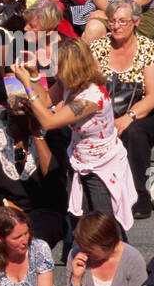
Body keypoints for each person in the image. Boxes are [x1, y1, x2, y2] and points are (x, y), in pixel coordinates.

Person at [13, 37, 137, 233]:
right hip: (79, 161)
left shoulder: (91, 97)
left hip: (101, 168)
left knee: (105, 228)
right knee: (82, 226)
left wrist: (27, 84)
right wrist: (35, 75)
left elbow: (49, 121)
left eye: (55, 62)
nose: (51, 64)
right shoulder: (68, 85)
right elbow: (45, 101)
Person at [89, 0, 154, 218]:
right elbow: (94, 87)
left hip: (146, 110)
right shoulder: (99, 47)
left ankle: (139, 194)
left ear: (136, 22)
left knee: (134, 132)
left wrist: (129, 117)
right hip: (108, 108)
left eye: (123, 21)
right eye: (113, 21)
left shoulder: (147, 48)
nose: (116, 26)